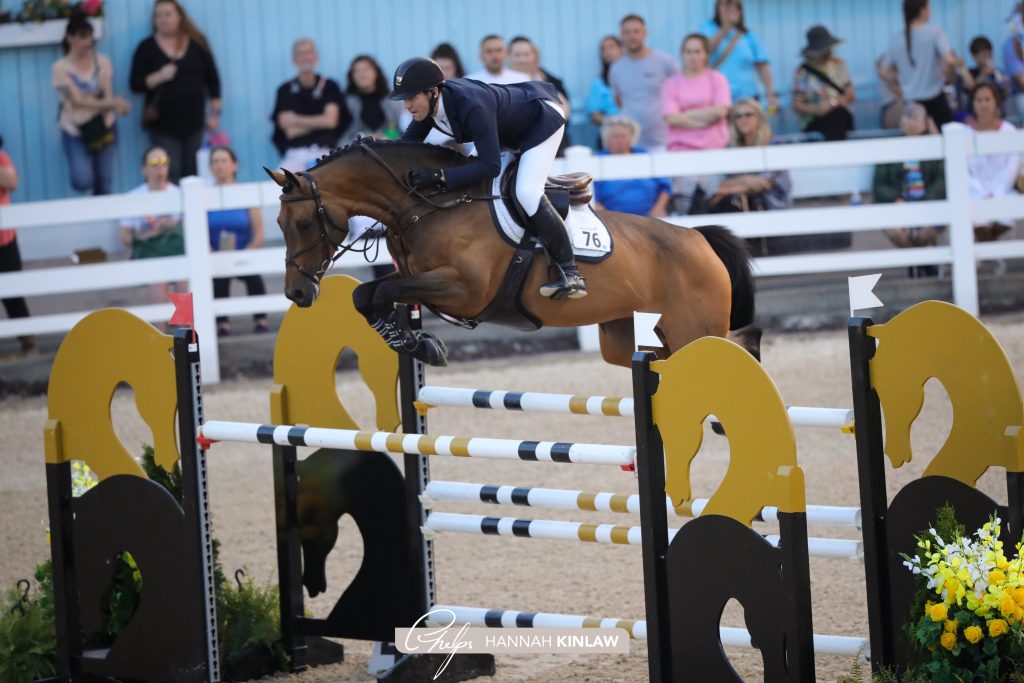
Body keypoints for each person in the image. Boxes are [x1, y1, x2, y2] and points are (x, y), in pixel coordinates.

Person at [392, 57, 585, 300]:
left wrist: (439, 177)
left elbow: (490, 166)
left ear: (432, 92)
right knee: (470, 179)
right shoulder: (427, 108)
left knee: (526, 191)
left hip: (540, 121)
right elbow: (405, 148)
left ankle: (570, 271)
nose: (407, 105)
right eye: (404, 99)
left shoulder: (470, 105)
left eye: (411, 98)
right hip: (506, 127)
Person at [129, 0, 221, 182]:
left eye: (168, 14)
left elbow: (213, 80)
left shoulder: (197, 43)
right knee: (170, 172)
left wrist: (215, 114)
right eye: (158, 15)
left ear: (179, 17)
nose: (163, 19)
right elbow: (135, 84)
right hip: (163, 126)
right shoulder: (146, 47)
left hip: (196, 123)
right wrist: (158, 77)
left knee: (194, 173)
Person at [52, 12, 130, 196]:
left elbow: (107, 92)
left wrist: (117, 106)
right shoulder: (60, 68)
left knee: (104, 181)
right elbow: (77, 101)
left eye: (89, 37)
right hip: (75, 127)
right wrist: (113, 103)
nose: (87, 42)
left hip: (104, 125)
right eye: (82, 37)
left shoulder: (101, 61)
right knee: (82, 179)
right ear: (70, 38)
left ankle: (101, 221)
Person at [871, 103, 946, 277]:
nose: (909, 121)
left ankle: (917, 263)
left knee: (927, 231)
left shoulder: (934, 147)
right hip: (900, 204)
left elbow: (942, 182)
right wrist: (895, 198)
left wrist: (927, 201)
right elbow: (879, 184)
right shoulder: (889, 149)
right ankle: (924, 262)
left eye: (914, 117)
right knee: (895, 231)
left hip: (929, 204)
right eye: (906, 116)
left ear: (925, 122)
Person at [207, 146, 269, 336]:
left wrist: (249, 250)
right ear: (210, 167)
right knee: (218, 280)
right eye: (215, 161)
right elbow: (199, 231)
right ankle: (222, 323)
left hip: (244, 250)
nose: (219, 165)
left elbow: (259, 230)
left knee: (254, 279)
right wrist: (210, 251)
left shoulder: (246, 193)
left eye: (224, 160)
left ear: (234, 165)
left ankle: (261, 319)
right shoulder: (204, 196)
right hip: (216, 253)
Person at [119, 146, 186, 304]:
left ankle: (186, 326)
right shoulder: (133, 198)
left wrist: (174, 226)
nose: (160, 168)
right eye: (154, 163)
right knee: (157, 278)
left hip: (177, 251)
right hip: (149, 252)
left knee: (184, 275)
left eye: (164, 162)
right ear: (144, 168)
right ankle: (159, 327)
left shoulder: (179, 194)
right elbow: (125, 238)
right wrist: (154, 232)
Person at [271, 38, 349, 172]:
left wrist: (296, 120)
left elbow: (331, 121)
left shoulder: (329, 85)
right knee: (279, 184)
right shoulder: (285, 90)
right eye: (300, 54)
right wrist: (321, 122)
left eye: (309, 52)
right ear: (294, 60)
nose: (305, 57)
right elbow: (289, 131)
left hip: (326, 152)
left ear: (316, 57)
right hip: (296, 154)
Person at [708, 98, 792, 215]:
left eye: (748, 115)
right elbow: (721, 182)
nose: (743, 119)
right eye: (738, 116)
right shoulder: (731, 148)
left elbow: (764, 183)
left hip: (771, 205)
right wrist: (748, 180)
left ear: (759, 117)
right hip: (738, 206)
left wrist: (727, 189)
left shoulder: (775, 144)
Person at [880, 0, 957, 128]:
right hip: (936, 99)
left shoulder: (896, 39)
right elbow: (949, 60)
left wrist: (897, 86)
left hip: (911, 104)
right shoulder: (935, 33)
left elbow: (883, 70)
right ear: (922, 10)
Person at [608, 14, 677, 150]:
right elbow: (618, 100)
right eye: (627, 32)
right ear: (621, 36)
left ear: (645, 34)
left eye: (636, 31)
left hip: (665, 141)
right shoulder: (616, 68)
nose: (632, 36)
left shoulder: (665, 61)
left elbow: (679, 92)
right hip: (632, 145)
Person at [700, 0, 778, 114]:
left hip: (747, 97)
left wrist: (770, 92)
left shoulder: (748, 35)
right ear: (718, 7)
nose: (730, 8)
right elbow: (706, 49)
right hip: (718, 98)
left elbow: (762, 64)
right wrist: (725, 28)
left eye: (734, 4)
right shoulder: (707, 28)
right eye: (726, 4)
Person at [967, 83, 1019, 248]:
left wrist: (996, 191)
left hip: (1004, 190)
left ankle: (988, 251)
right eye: (979, 100)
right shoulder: (965, 133)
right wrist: (982, 192)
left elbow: (1013, 166)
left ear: (996, 102)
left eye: (987, 99)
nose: (983, 104)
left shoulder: (1008, 131)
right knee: (975, 218)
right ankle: (992, 253)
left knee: (1006, 215)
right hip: (974, 192)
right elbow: (965, 172)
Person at [662, 33, 731, 152]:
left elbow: (720, 111)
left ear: (706, 54)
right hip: (681, 148)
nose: (692, 56)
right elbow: (672, 119)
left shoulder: (717, 78)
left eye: (697, 52)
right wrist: (706, 121)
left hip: (715, 147)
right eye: (688, 52)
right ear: (682, 55)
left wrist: (685, 115)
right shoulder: (671, 84)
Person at [592, 116, 672, 217]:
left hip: (650, 217)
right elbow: (591, 196)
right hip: (614, 220)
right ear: (606, 139)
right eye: (615, 137)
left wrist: (659, 208)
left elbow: (665, 187)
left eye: (623, 136)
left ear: (631, 138)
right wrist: (608, 218)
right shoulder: (598, 160)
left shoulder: (644, 155)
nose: (619, 141)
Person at [0, 134, 35, 357]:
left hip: (4, 241)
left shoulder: (1, 158)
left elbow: (12, 182)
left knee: (13, 294)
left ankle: (29, 343)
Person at [508, 36, 571, 153]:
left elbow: (565, 111)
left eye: (526, 55)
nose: (522, 60)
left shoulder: (550, 80)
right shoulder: (502, 81)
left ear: (535, 55)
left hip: (551, 137)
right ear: (509, 56)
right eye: (517, 55)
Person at [792, 25, 856, 141]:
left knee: (837, 115)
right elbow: (797, 104)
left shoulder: (839, 65)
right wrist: (817, 109)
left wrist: (833, 103)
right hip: (816, 121)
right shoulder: (803, 72)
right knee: (832, 119)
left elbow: (850, 94)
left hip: (841, 115)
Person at [340, 55, 405, 144]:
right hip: (356, 151)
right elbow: (343, 136)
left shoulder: (393, 100)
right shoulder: (346, 102)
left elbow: (402, 129)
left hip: (390, 148)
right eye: (357, 71)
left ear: (376, 72)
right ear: (351, 76)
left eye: (366, 69)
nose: (362, 74)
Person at [586, 35, 622, 129]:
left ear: (621, 49)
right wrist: (616, 124)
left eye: (611, 47)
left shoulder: (634, 75)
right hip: (611, 132)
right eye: (603, 49)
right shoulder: (598, 83)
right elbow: (595, 115)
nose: (607, 52)